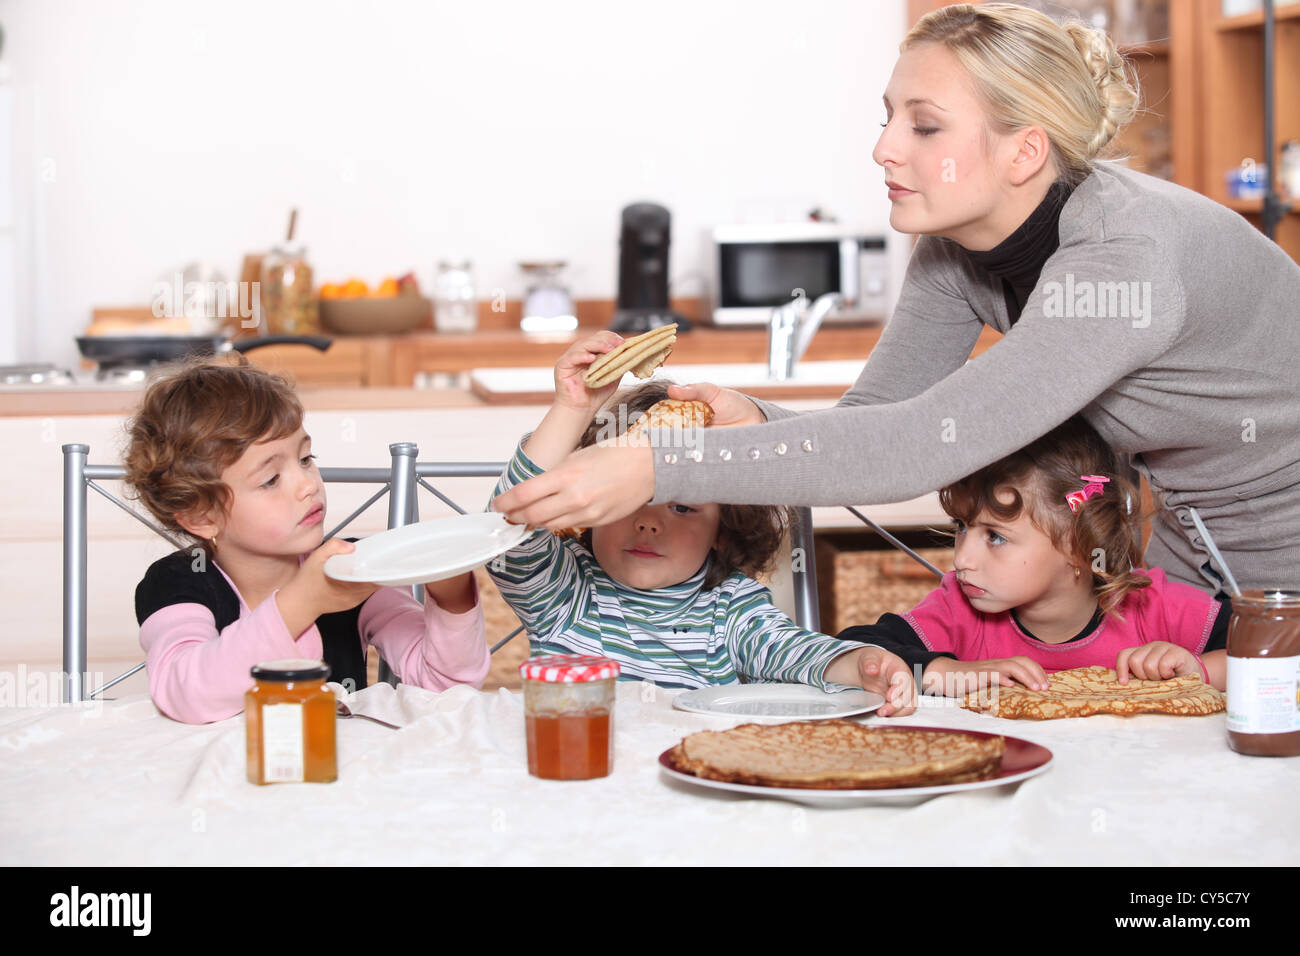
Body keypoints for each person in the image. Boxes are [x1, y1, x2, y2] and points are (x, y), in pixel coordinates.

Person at [493, 2, 1300, 598]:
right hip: (1197, 544)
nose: (883, 148)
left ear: (1024, 151)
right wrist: (760, 418)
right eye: (888, 119)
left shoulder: (1126, 258)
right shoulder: (955, 249)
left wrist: (656, 465)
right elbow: (882, 416)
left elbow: (922, 448)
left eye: (925, 127)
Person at [487, 332, 917, 715]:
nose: (649, 523)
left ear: (724, 529)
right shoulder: (565, 592)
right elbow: (508, 530)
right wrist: (572, 407)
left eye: (683, 508)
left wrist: (861, 664)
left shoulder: (731, 609)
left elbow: (795, 652)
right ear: (589, 505)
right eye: (631, 499)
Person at [123, 358, 490, 724]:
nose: (308, 484)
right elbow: (186, 694)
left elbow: (445, 688)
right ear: (202, 516)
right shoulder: (178, 582)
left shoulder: (349, 565)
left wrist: (451, 593)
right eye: (270, 479)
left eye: (305, 458)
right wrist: (304, 601)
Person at [839, 417, 1229, 696]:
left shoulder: (1151, 608)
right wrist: (945, 670)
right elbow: (856, 649)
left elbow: (1277, 652)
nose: (961, 560)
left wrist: (1200, 670)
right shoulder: (957, 608)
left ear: (1078, 545)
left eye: (995, 536)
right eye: (962, 527)